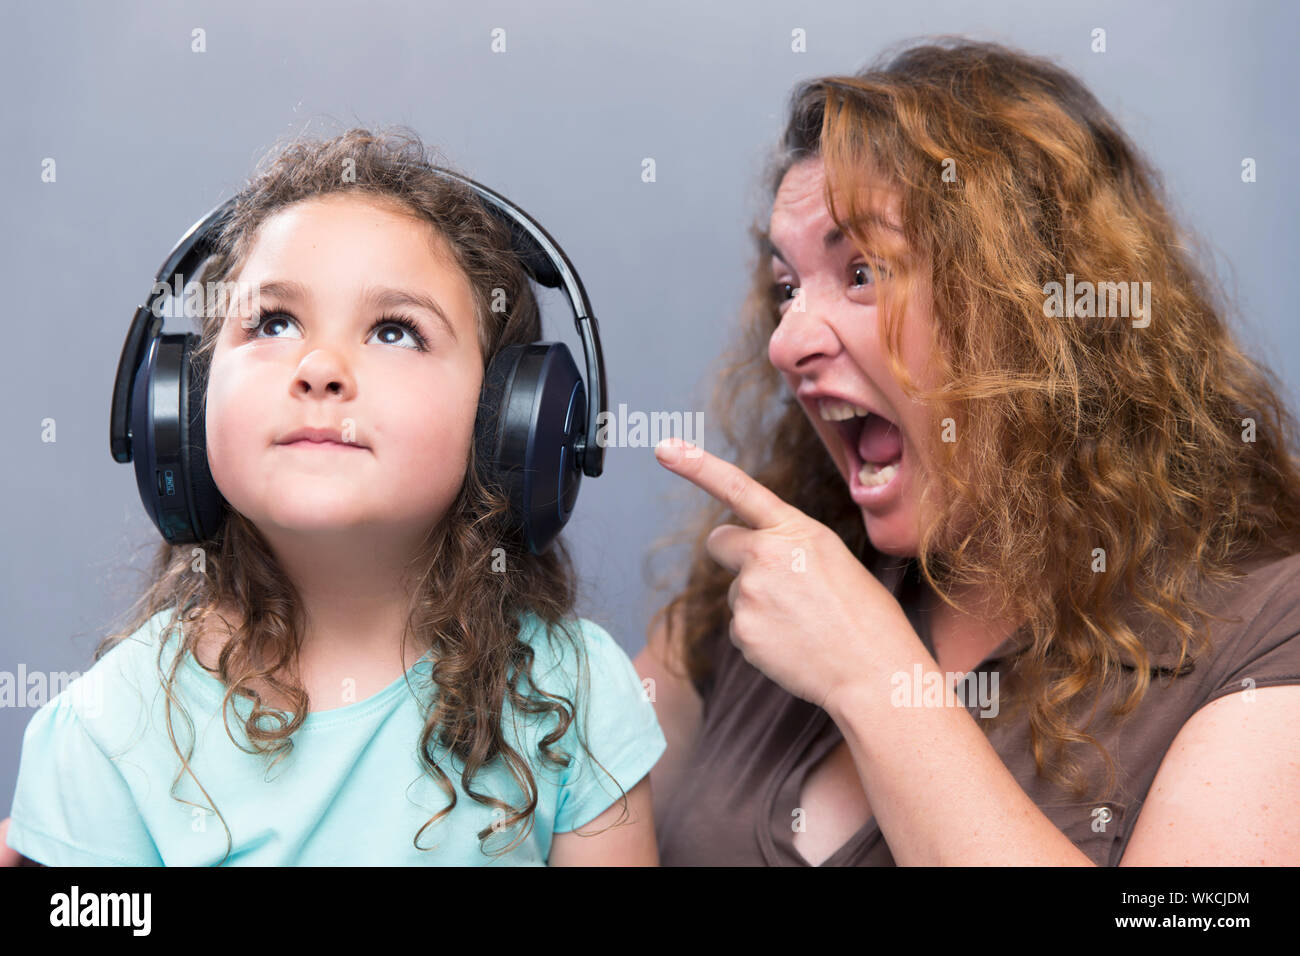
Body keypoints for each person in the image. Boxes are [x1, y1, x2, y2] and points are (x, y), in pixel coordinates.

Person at [640, 38, 1300, 866]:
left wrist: (872, 678)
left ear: (1035, 308)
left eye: (863, 272)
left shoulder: (1270, 632)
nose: (787, 341)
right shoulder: (762, 589)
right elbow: (548, 788)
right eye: (786, 287)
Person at [2, 127, 664, 866]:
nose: (320, 368)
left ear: (507, 420)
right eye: (273, 323)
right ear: (184, 402)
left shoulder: (573, 696)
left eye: (394, 331)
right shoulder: (105, 733)